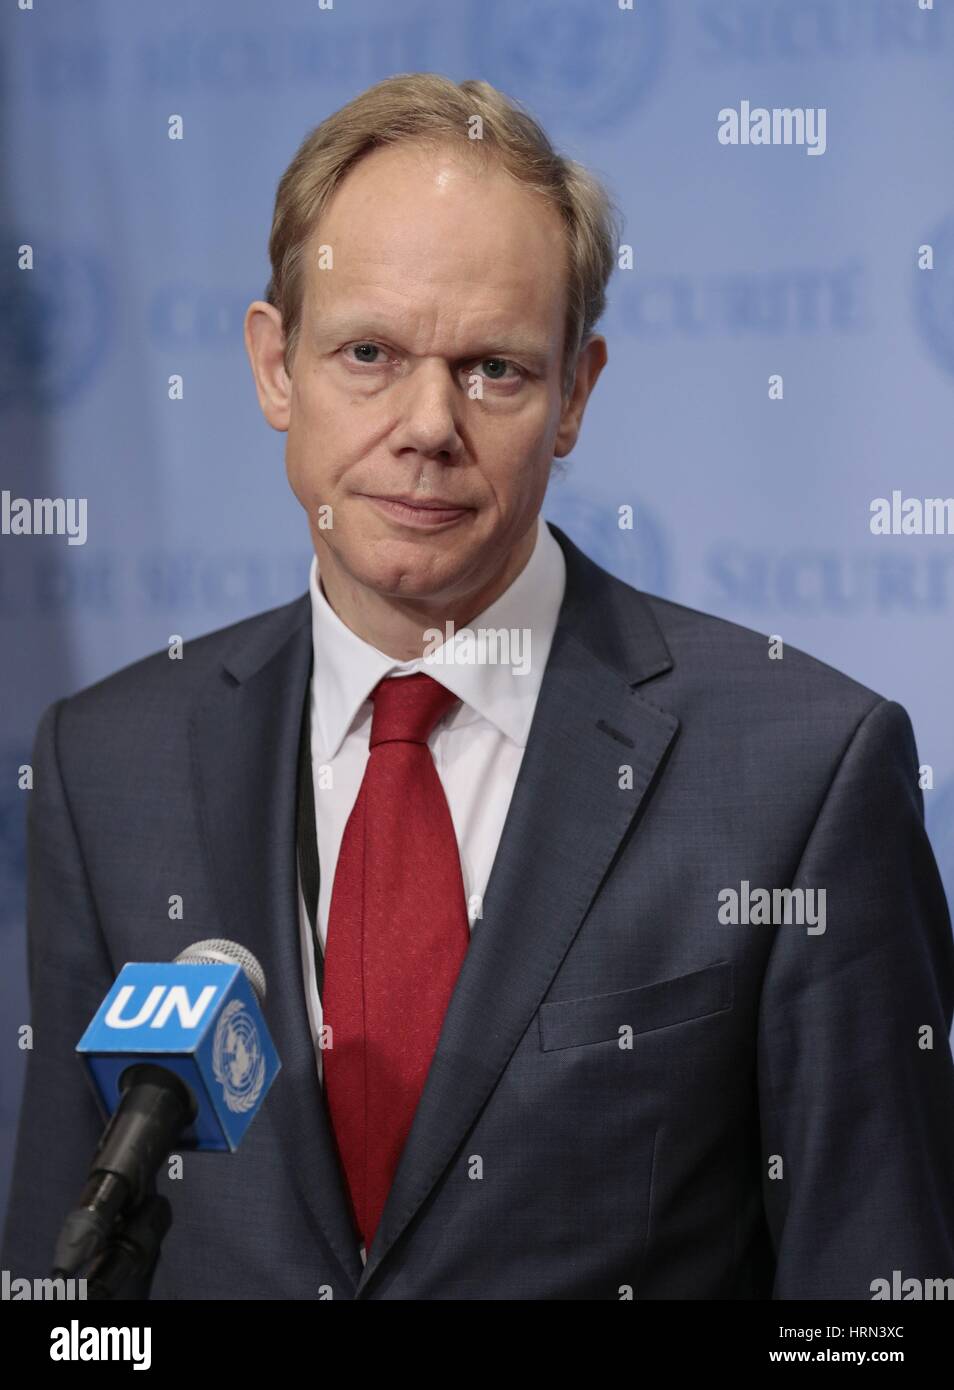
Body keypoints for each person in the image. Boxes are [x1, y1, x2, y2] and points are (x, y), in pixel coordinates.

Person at [4, 74, 953, 1300]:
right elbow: (65, 1290)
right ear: (273, 365)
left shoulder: (800, 772)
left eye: (495, 369)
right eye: (368, 353)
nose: (426, 423)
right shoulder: (107, 763)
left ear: (575, 395)